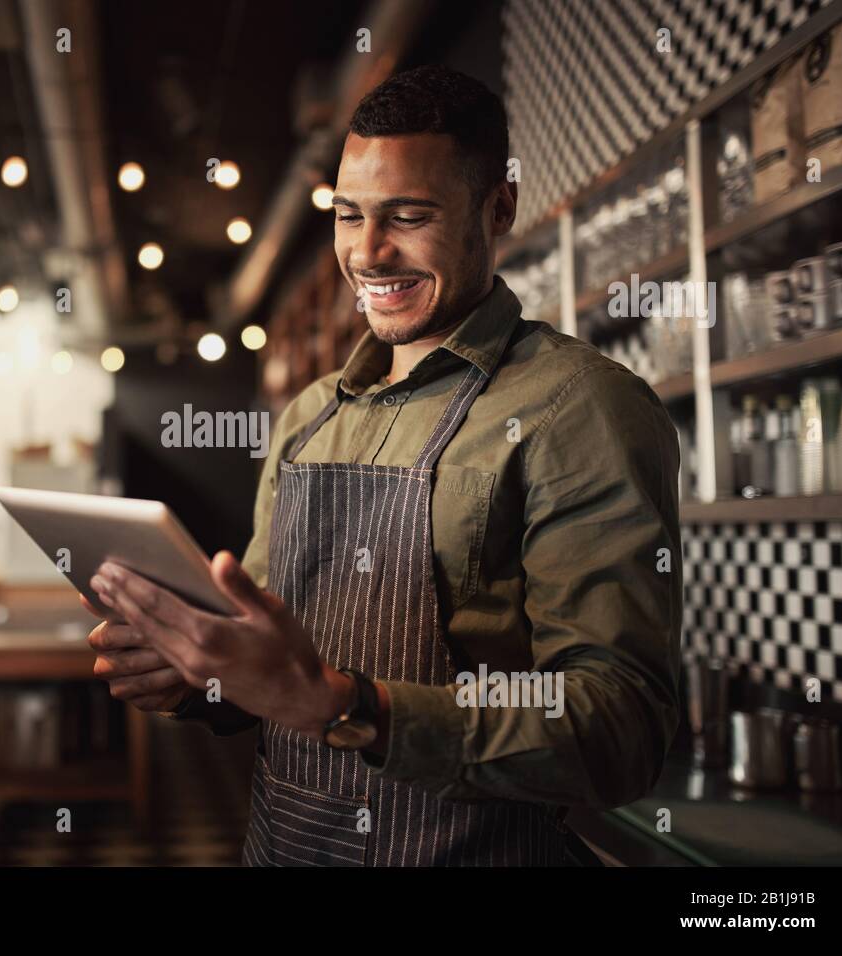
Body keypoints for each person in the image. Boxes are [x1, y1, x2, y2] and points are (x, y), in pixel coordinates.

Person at [85, 64, 682, 866]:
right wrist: (199, 677)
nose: (368, 252)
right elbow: (266, 662)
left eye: (408, 215)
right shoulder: (308, 418)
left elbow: (621, 727)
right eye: (348, 215)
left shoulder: (579, 406)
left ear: (497, 208)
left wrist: (349, 706)